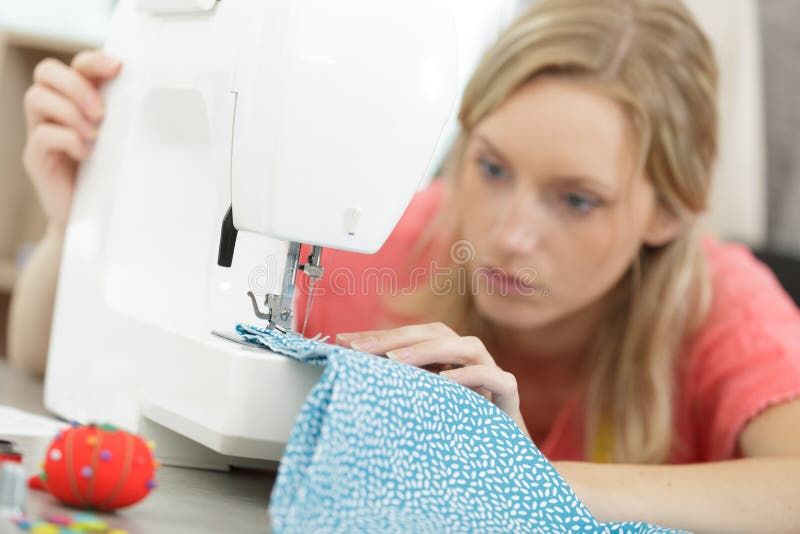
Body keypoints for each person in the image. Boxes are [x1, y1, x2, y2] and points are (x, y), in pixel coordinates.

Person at [9, 0, 800, 531]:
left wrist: (520, 472)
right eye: (491, 168)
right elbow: (37, 356)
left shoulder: (725, 306)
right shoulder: (394, 236)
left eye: (577, 200)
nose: (507, 235)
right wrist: (79, 215)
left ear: (667, 209)